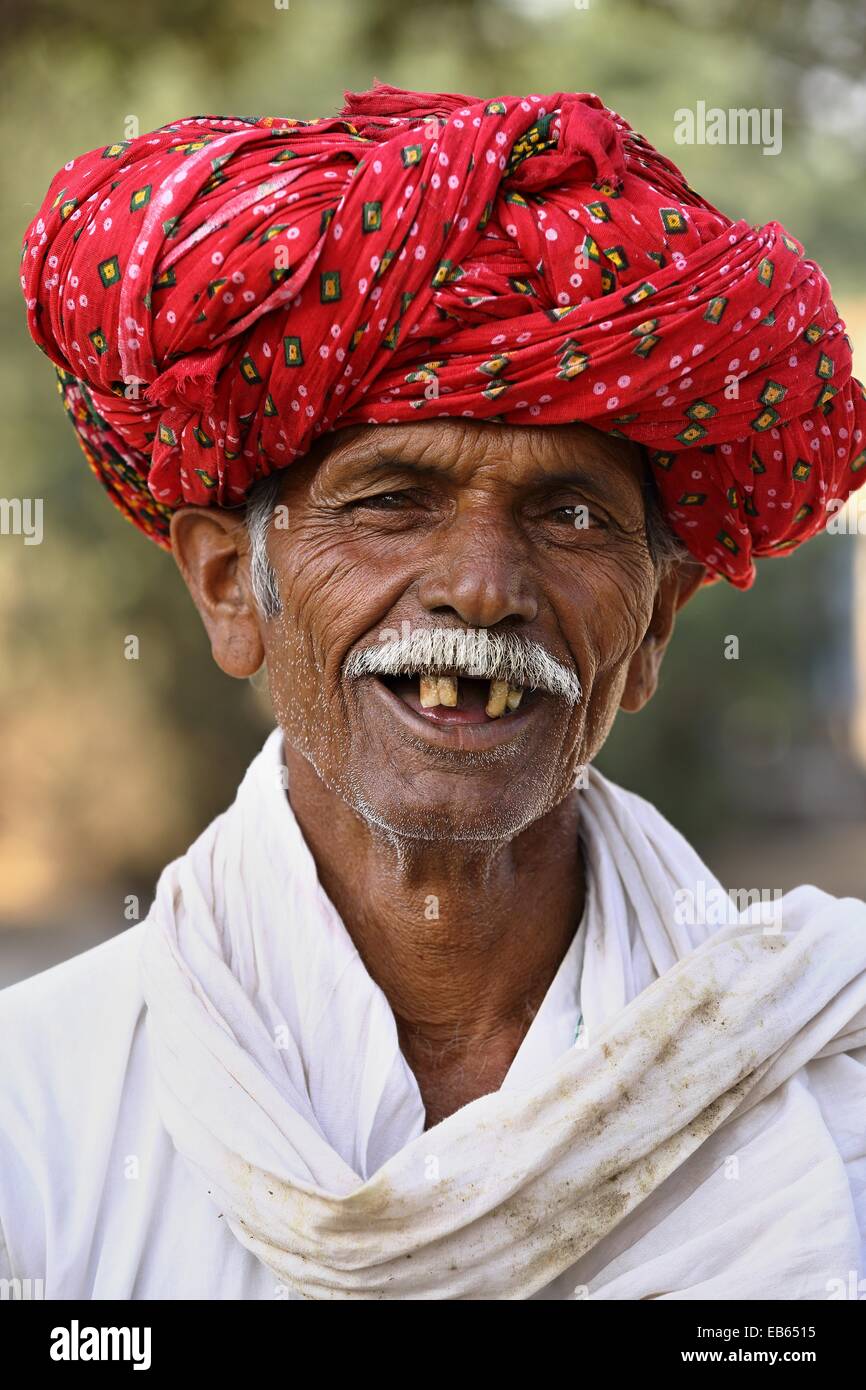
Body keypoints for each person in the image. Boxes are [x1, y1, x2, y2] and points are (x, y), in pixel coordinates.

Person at [2, 83, 865, 1301]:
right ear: (227, 589)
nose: (478, 586)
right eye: (389, 500)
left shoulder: (826, 1080)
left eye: (568, 514)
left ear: (656, 622)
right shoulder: (34, 1123)